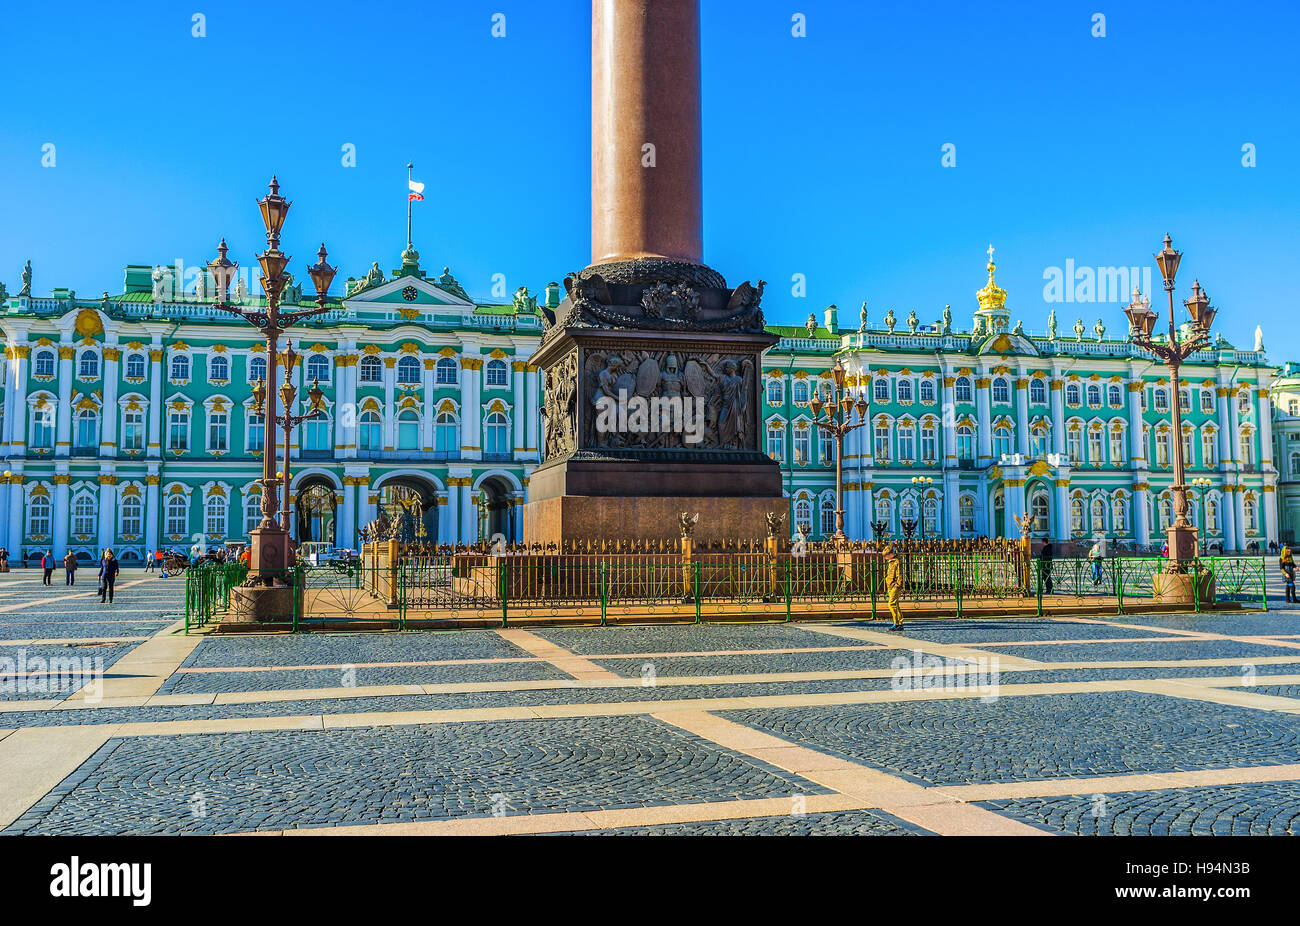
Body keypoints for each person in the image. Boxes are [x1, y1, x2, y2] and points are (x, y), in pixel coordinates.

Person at [883, 545, 904, 630]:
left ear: (891, 554)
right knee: (895, 604)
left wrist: (897, 585)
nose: (885, 557)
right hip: (890, 585)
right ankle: (899, 623)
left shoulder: (896, 562)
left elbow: (899, 575)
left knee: (891, 604)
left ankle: (896, 623)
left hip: (894, 586)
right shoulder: (891, 562)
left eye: (886, 556)